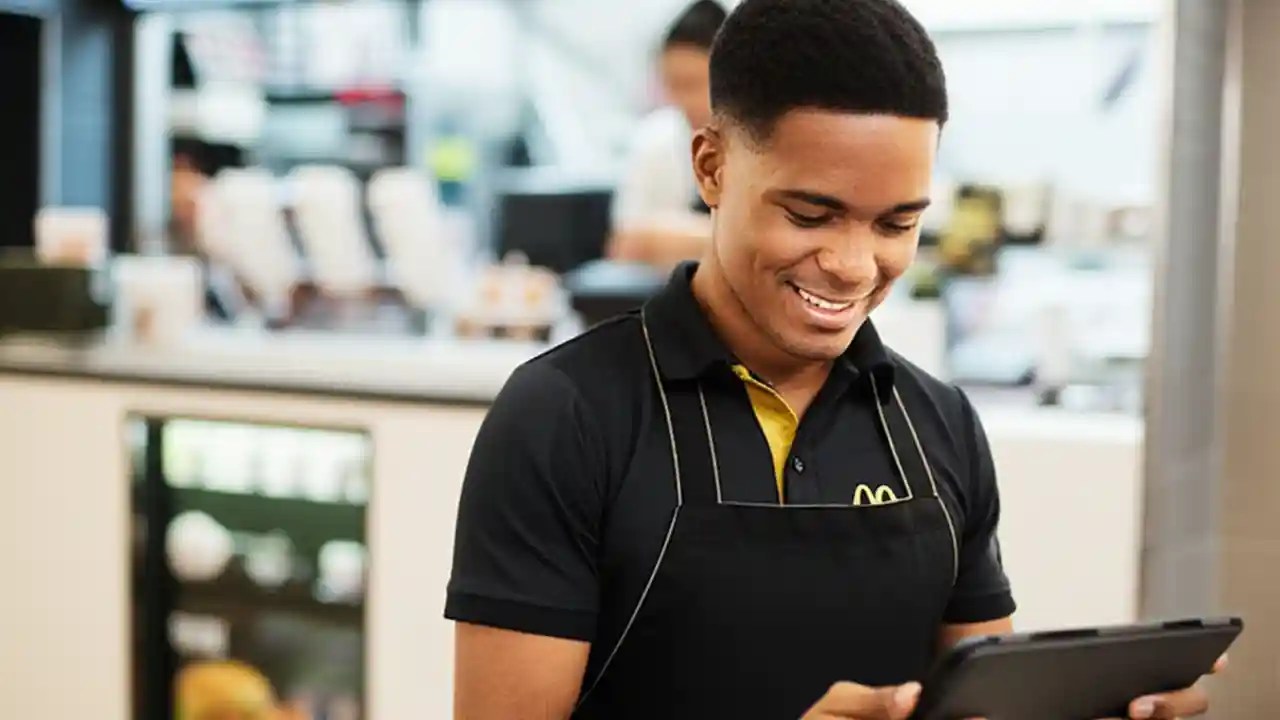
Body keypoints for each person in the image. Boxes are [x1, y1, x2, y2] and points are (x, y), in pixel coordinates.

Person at [446, 1, 1225, 718]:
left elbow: (977, 707)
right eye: (811, 214)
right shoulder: (567, 416)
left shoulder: (939, 426)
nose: (854, 266)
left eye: (895, 225)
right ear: (712, 167)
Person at [606, 1, 726, 270]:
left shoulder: (760, 145)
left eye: (693, 84)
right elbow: (626, 243)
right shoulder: (655, 141)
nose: (683, 101)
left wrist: (664, 236)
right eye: (672, 85)